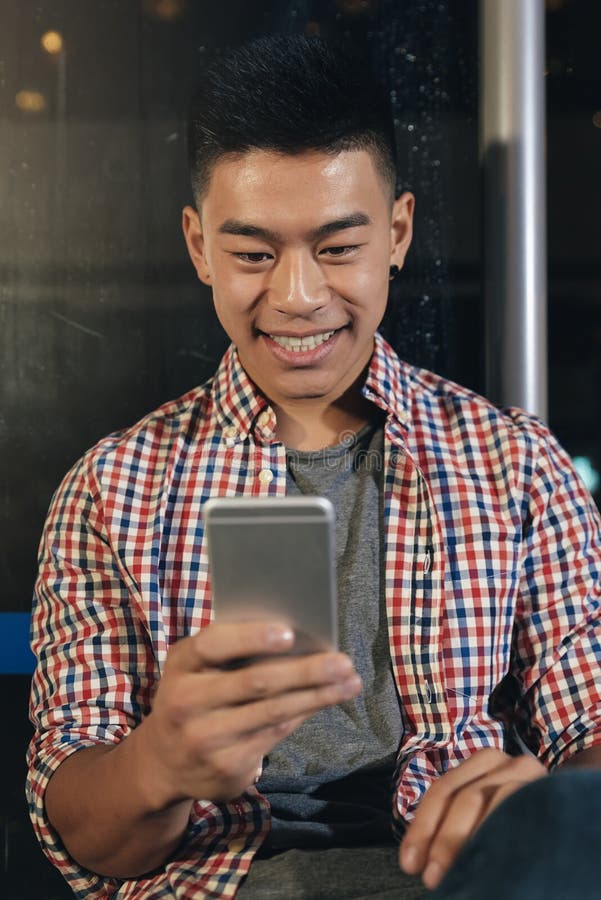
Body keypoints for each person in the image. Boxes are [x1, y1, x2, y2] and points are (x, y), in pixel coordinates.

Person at [26, 34, 601, 900]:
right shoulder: (112, 489)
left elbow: (588, 713)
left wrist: (555, 804)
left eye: (337, 248)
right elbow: (83, 832)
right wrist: (159, 761)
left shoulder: (513, 465)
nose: (297, 296)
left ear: (398, 232)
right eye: (253, 253)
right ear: (197, 247)